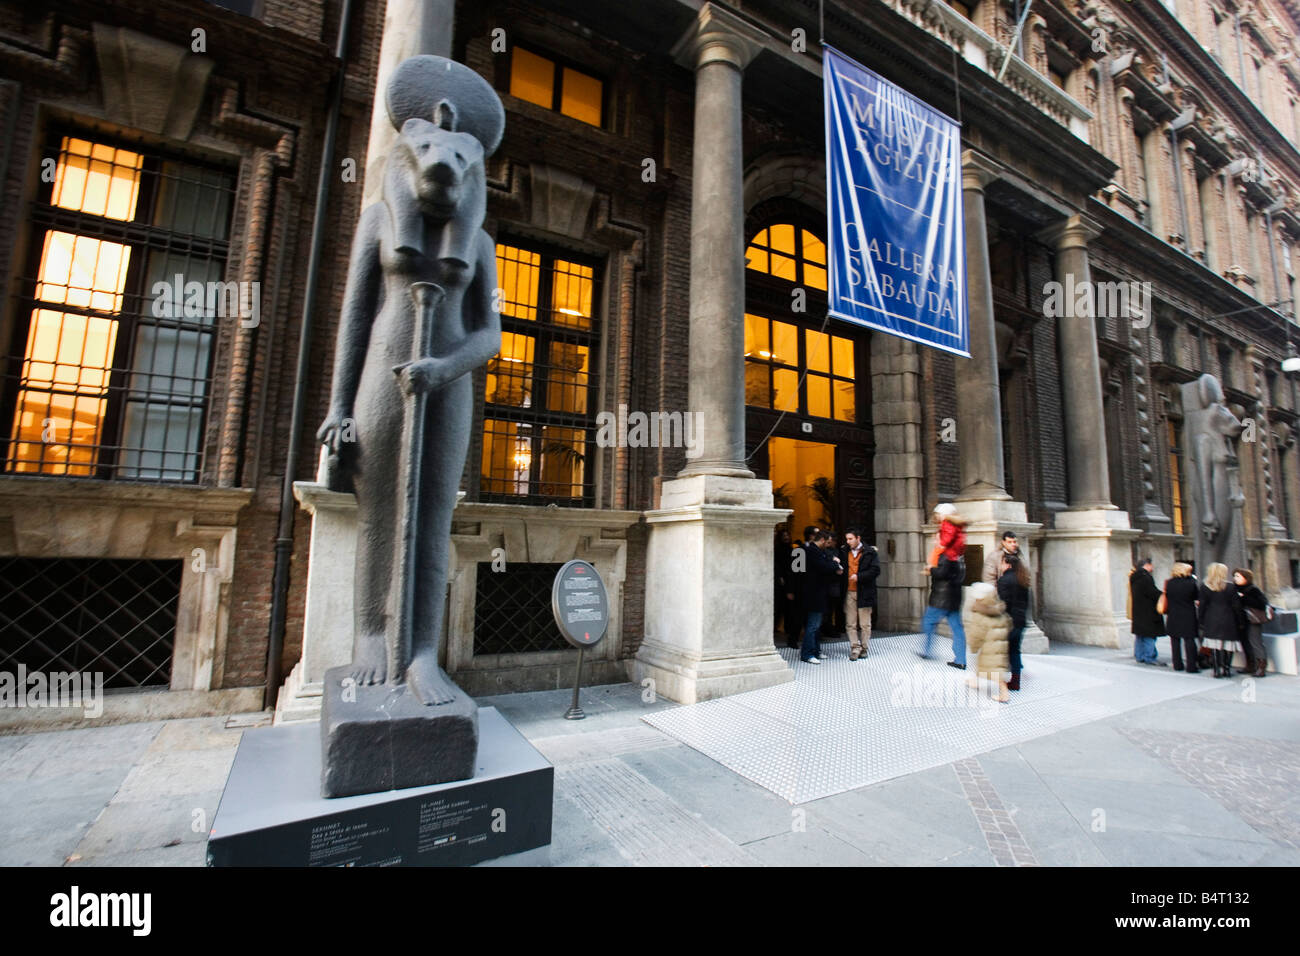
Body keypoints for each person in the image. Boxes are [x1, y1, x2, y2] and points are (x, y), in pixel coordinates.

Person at [990, 534, 1031, 690]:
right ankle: (1015, 680)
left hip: (1008, 621)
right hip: (1020, 620)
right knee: (1015, 651)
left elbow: (1003, 602)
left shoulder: (1004, 581)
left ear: (1006, 565)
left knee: (999, 651)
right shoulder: (1023, 580)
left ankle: (999, 682)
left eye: (1002, 563)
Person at [799, 529, 842, 665]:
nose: (828, 545)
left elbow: (825, 564)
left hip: (819, 593)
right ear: (822, 540)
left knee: (817, 625)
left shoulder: (819, 552)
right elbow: (823, 566)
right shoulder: (811, 551)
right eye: (827, 542)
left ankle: (816, 651)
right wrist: (835, 564)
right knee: (813, 625)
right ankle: (807, 654)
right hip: (813, 594)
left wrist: (833, 564)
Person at [920, 547, 967, 668]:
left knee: (928, 622)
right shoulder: (959, 554)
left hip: (941, 598)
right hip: (955, 597)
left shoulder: (946, 554)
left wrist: (931, 569)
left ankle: (927, 651)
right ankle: (961, 659)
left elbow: (942, 573)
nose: (936, 541)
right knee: (957, 629)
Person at [964, 582, 1011, 703]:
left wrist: (973, 647)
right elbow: (1008, 623)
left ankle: (1004, 693)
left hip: (989, 646)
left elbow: (976, 633)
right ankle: (974, 681)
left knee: (994, 670)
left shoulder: (980, 613)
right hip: (999, 645)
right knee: (982, 664)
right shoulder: (997, 608)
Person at [840, 527, 881, 660]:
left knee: (865, 624)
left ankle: (864, 648)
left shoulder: (870, 552)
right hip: (849, 591)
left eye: (850, 539)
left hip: (865, 591)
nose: (848, 541)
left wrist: (859, 576)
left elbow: (875, 570)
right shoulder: (843, 551)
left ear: (858, 538)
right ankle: (854, 647)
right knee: (850, 623)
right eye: (847, 539)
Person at [1198, 562, 1240, 678]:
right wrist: (1240, 621)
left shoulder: (1205, 587)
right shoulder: (1231, 587)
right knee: (1228, 645)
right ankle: (1226, 669)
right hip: (1228, 618)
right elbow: (1236, 606)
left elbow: (1202, 605)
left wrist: (1200, 619)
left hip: (1211, 618)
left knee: (1214, 645)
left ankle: (1216, 670)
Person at [1163, 562, 1201, 673]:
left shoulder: (1169, 583)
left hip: (1173, 614)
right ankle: (1191, 666)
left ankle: (1177, 664)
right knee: (1189, 640)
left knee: (1175, 641)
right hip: (1188, 614)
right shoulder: (1191, 583)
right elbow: (1196, 597)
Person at [1233, 568, 1270, 678]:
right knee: (1245, 643)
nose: (1235, 578)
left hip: (1253, 620)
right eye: (1235, 576)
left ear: (1246, 578)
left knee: (1255, 642)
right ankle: (1250, 665)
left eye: (1238, 576)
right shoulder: (1234, 589)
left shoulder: (1253, 589)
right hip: (1241, 620)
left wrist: (1244, 598)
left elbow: (1262, 604)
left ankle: (1261, 666)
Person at [1129, 557, 1167, 666]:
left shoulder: (1134, 576)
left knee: (1140, 635)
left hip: (1138, 610)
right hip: (1148, 611)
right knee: (1149, 635)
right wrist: (1163, 594)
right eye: (1151, 565)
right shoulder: (1145, 577)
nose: (1153, 567)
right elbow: (1152, 592)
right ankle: (1149, 657)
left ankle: (1139, 655)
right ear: (1147, 565)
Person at [928, 503, 967, 569]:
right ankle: (931, 567)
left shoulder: (947, 523)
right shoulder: (955, 524)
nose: (937, 517)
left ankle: (931, 567)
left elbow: (949, 535)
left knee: (936, 555)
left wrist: (942, 543)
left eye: (938, 514)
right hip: (954, 554)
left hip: (949, 554)